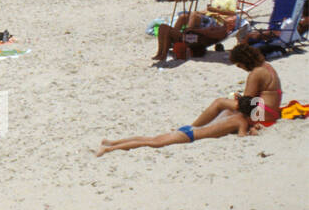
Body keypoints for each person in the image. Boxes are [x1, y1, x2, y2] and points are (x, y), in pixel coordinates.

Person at [98, 43, 282, 155]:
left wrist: (246, 121)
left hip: (260, 113)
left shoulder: (256, 74)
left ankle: (111, 146)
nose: (241, 68)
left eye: (240, 65)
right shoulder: (267, 67)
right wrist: (247, 128)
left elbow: (246, 105)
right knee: (155, 140)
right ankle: (111, 145)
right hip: (265, 112)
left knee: (219, 103)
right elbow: (245, 113)